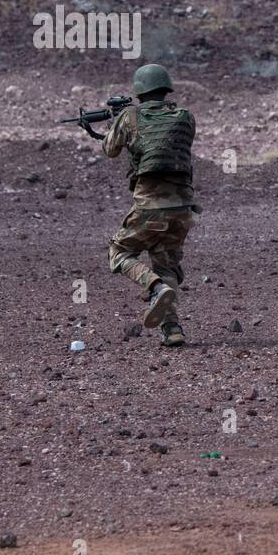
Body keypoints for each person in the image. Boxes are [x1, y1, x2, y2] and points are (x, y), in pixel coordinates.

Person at [97, 63, 200, 346]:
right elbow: (164, 140)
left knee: (118, 252)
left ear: (140, 90)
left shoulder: (130, 116)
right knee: (165, 263)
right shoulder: (186, 117)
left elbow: (110, 150)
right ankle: (173, 330)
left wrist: (113, 124)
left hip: (150, 205)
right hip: (182, 209)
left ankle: (153, 286)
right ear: (165, 88)